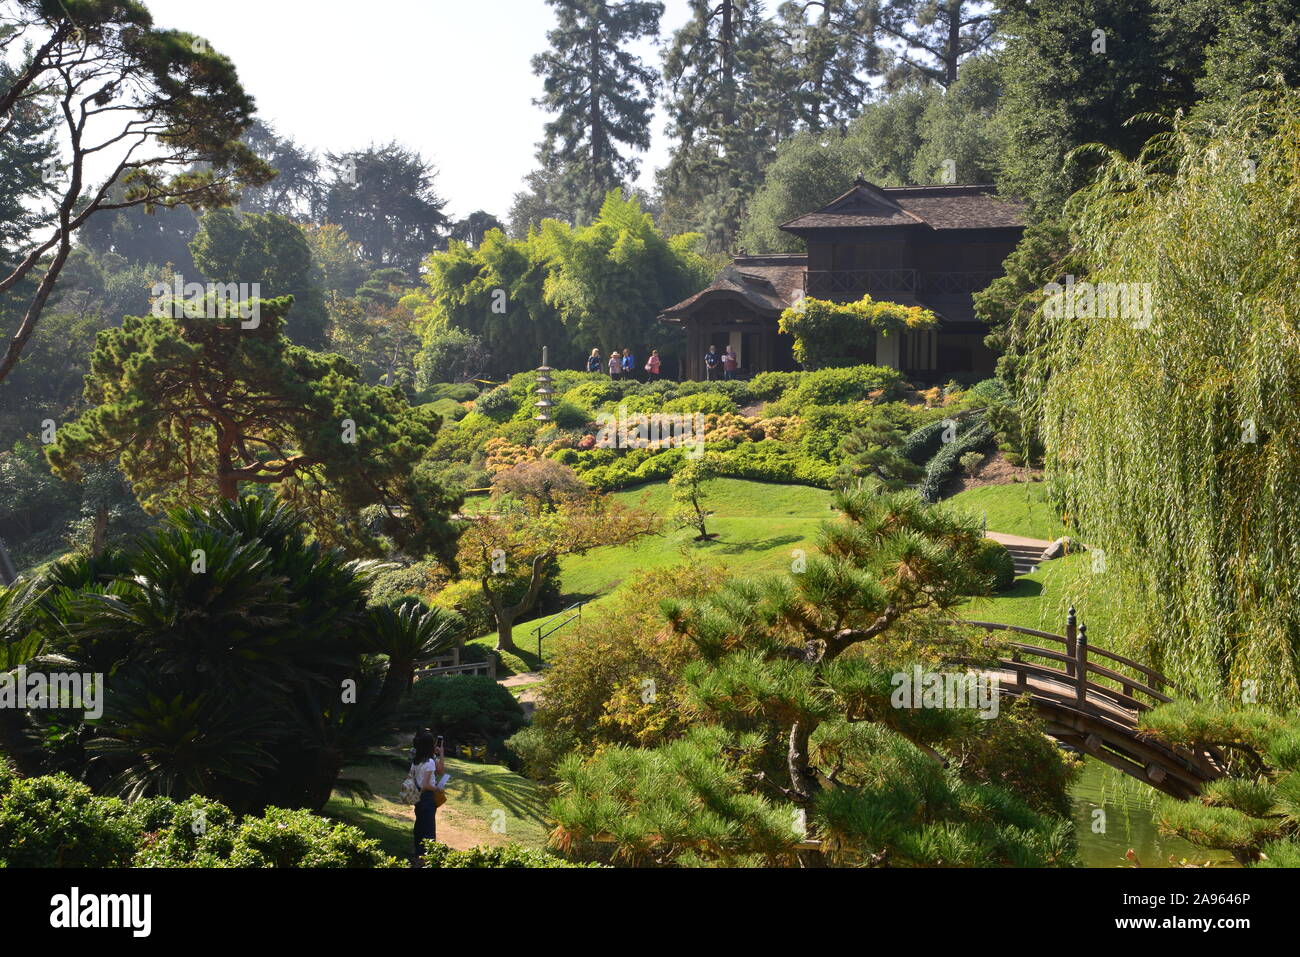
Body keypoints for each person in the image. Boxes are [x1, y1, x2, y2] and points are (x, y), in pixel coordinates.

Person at [411, 729, 444, 863]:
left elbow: (416, 780)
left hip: (418, 797)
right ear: (430, 745)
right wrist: (438, 788)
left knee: (419, 826)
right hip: (427, 797)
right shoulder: (430, 762)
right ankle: (427, 859)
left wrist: (440, 754)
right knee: (429, 829)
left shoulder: (416, 759)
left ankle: (418, 855)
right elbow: (426, 785)